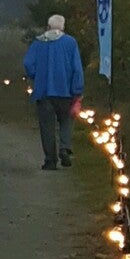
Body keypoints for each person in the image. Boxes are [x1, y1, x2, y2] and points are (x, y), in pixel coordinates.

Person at [23, 13, 84, 169]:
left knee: (47, 127)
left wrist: (36, 75)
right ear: (62, 27)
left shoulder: (38, 43)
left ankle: (50, 160)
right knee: (66, 121)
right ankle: (64, 148)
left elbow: (28, 63)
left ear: (48, 27)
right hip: (65, 92)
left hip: (44, 93)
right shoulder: (70, 43)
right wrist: (77, 90)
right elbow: (77, 69)